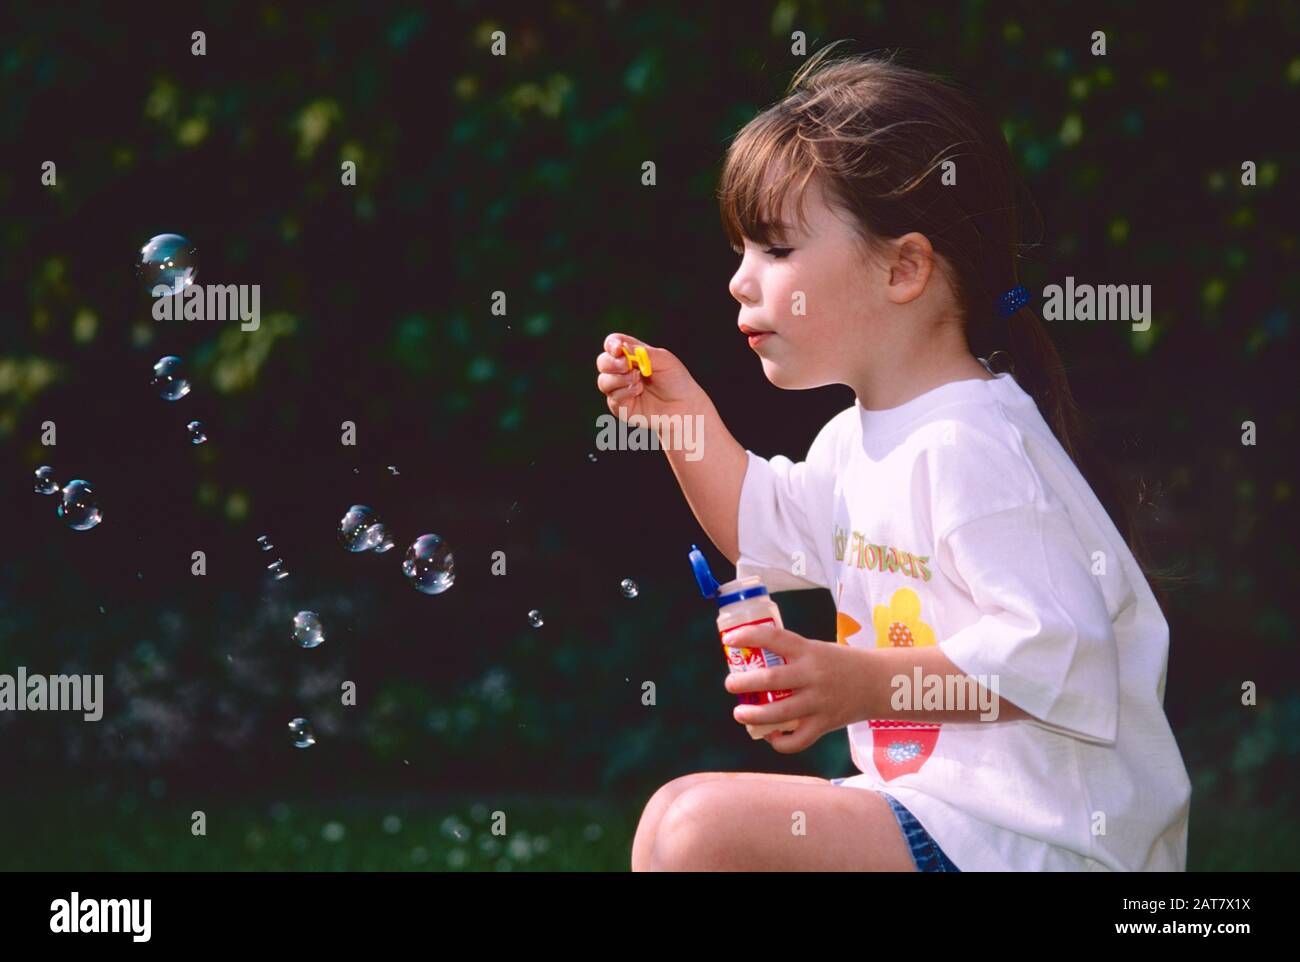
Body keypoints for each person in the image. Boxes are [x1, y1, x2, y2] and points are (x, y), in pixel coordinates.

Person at [595, 44, 1190, 872]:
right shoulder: (860, 439)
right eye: (741, 252)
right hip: (935, 819)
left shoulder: (973, 445)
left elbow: (1060, 652)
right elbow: (757, 528)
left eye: (774, 249)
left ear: (904, 267)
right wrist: (681, 420)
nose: (739, 280)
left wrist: (860, 685)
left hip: (1040, 845)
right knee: (672, 817)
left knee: (700, 832)